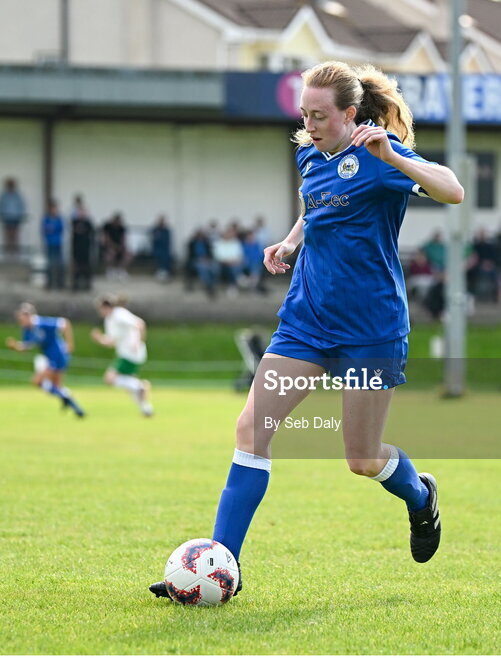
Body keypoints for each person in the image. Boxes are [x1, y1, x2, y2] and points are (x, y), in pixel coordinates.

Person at [149, 61, 464, 601]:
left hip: (371, 328)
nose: (310, 124)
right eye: (304, 114)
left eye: (320, 116)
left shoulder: (380, 155)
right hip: (307, 321)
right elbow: (316, 205)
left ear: (349, 113)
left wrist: (394, 157)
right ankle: (224, 566)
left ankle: (420, 496)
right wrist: (292, 241)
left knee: (362, 459)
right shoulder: (309, 154)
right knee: (251, 431)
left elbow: (453, 190)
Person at [6, 302, 85, 417]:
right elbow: (26, 347)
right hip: (50, 357)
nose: (21, 322)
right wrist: (15, 346)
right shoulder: (28, 330)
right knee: (57, 387)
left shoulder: (42, 323)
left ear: (29, 316)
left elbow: (65, 323)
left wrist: (69, 343)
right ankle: (74, 406)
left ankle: (69, 401)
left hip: (58, 355)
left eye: (22, 319)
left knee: (37, 381)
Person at [90, 295, 154, 417]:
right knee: (128, 387)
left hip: (130, 353)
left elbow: (139, 324)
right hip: (127, 354)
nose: (100, 312)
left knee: (109, 379)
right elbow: (111, 342)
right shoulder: (109, 320)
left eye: (100, 308)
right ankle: (146, 409)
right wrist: (99, 339)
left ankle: (139, 385)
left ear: (106, 307)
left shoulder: (119, 314)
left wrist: (138, 341)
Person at [0, 177, 27, 256]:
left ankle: (15, 252)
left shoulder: (18, 196)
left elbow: (21, 206)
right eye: (9, 185)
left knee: (15, 235)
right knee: (7, 235)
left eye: (12, 185)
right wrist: (1, 215)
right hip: (6, 218)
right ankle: (7, 252)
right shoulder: (3, 196)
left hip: (16, 218)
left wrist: (21, 215)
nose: (11, 187)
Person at [70, 196, 94, 291]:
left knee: (86, 267)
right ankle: (76, 285)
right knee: (76, 267)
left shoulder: (88, 223)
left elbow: (92, 234)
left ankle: (87, 284)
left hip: (86, 249)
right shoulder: (74, 222)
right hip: (77, 249)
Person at [42, 199, 65, 290]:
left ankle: (60, 283)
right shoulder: (46, 219)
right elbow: (45, 230)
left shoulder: (59, 219)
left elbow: (60, 229)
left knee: (60, 264)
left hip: (58, 243)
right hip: (50, 244)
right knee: (50, 264)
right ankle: (50, 283)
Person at [101, 213, 129, 280]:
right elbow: (106, 239)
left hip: (119, 247)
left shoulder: (121, 228)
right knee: (111, 253)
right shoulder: (107, 226)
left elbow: (123, 239)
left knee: (128, 254)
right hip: (108, 247)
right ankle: (110, 270)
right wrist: (114, 246)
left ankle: (120, 270)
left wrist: (122, 247)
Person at [151, 215, 173, 282]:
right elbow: (154, 240)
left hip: (165, 248)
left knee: (167, 256)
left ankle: (164, 271)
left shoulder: (166, 230)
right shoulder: (156, 230)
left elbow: (167, 241)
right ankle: (161, 271)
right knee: (160, 255)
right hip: (157, 248)